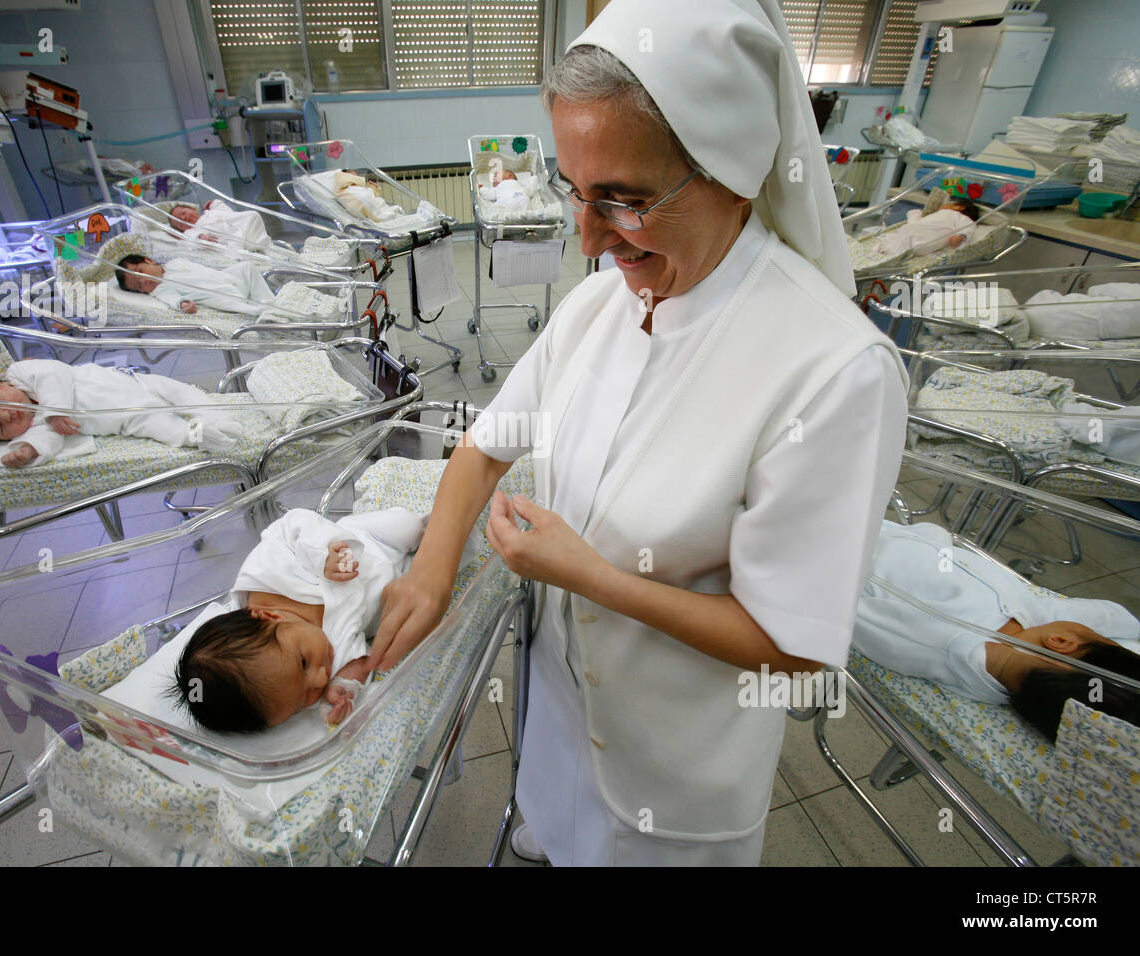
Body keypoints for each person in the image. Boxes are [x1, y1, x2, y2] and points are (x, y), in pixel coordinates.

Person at [367, 0, 909, 866]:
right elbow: (484, 447)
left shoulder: (831, 371)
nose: (586, 237)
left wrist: (591, 576)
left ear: (732, 170)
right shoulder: (598, 308)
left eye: (621, 201)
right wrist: (433, 572)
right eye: (575, 193)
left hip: (676, 781)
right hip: (560, 719)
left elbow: (795, 652)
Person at [855, 520, 1140, 740]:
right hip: (921, 539)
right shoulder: (1033, 623)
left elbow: (849, 616)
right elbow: (1119, 618)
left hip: (859, 542)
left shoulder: (943, 645)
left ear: (1062, 642)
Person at [171, 508, 426, 731]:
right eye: (304, 699)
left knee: (407, 526)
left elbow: (292, 524)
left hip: (370, 541)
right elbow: (359, 660)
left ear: (268, 616)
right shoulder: (321, 648)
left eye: (304, 662)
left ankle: (437, 526)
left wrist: (323, 556)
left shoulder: (267, 573)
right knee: (421, 601)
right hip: (401, 581)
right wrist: (340, 690)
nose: (319, 678)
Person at [0, 359, 243, 468]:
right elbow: (49, 441)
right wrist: (27, 450)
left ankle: (216, 417)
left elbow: (52, 372)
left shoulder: (21, 374)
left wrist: (56, 411)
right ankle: (200, 435)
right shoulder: (37, 426)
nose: (6, 416)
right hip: (128, 419)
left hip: (137, 383)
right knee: (163, 428)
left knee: (184, 393)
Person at [115, 253, 277, 316]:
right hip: (218, 294)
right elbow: (170, 298)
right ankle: (260, 312)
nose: (143, 281)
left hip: (225, 278)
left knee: (246, 267)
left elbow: (203, 270)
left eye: (140, 272)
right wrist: (183, 304)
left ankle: (269, 303)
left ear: (149, 260)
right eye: (139, 286)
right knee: (227, 301)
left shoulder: (176, 261)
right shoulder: (160, 289)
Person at [874, 198, 983, 257]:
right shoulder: (939, 214)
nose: (944, 205)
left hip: (927, 238)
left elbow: (969, 228)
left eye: (950, 203)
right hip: (918, 230)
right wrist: (915, 215)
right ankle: (885, 251)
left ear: (959, 207)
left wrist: (961, 238)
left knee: (909, 238)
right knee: (899, 235)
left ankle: (891, 256)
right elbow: (919, 224)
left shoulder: (962, 218)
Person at [167, 200, 272, 254]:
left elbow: (228, 212)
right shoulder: (193, 230)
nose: (184, 218)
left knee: (253, 216)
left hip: (238, 228)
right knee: (234, 248)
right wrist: (200, 237)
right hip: (224, 238)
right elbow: (189, 239)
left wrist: (214, 203)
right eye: (180, 223)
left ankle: (261, 248)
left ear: (193, 210)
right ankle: (252, 254)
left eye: (183, 213)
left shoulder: (210, 212)